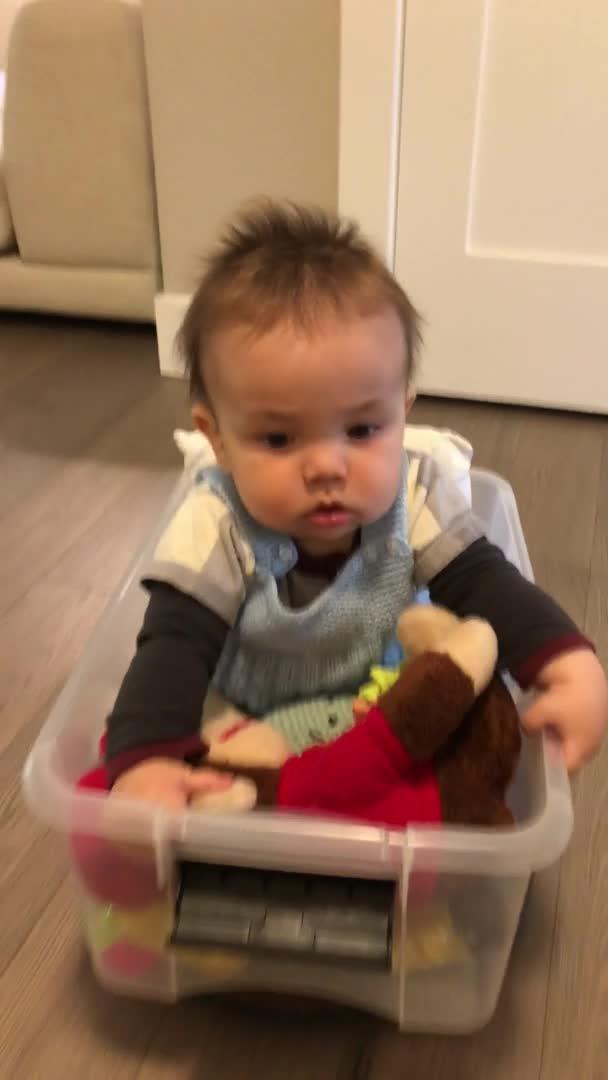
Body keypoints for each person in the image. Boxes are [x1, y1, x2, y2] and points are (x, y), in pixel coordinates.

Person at [105, 200, 607, 809]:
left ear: (404, 413)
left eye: (364, 430)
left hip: (384, 701)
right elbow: (173, 645)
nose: (326, 466)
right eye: (279, 438)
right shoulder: (214, 523)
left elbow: (486, 584)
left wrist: (568, 661)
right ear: (217, 440)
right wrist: (149, 759)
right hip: (247, 709)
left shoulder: (416, 493)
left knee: (470, 748)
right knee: (209, 769)